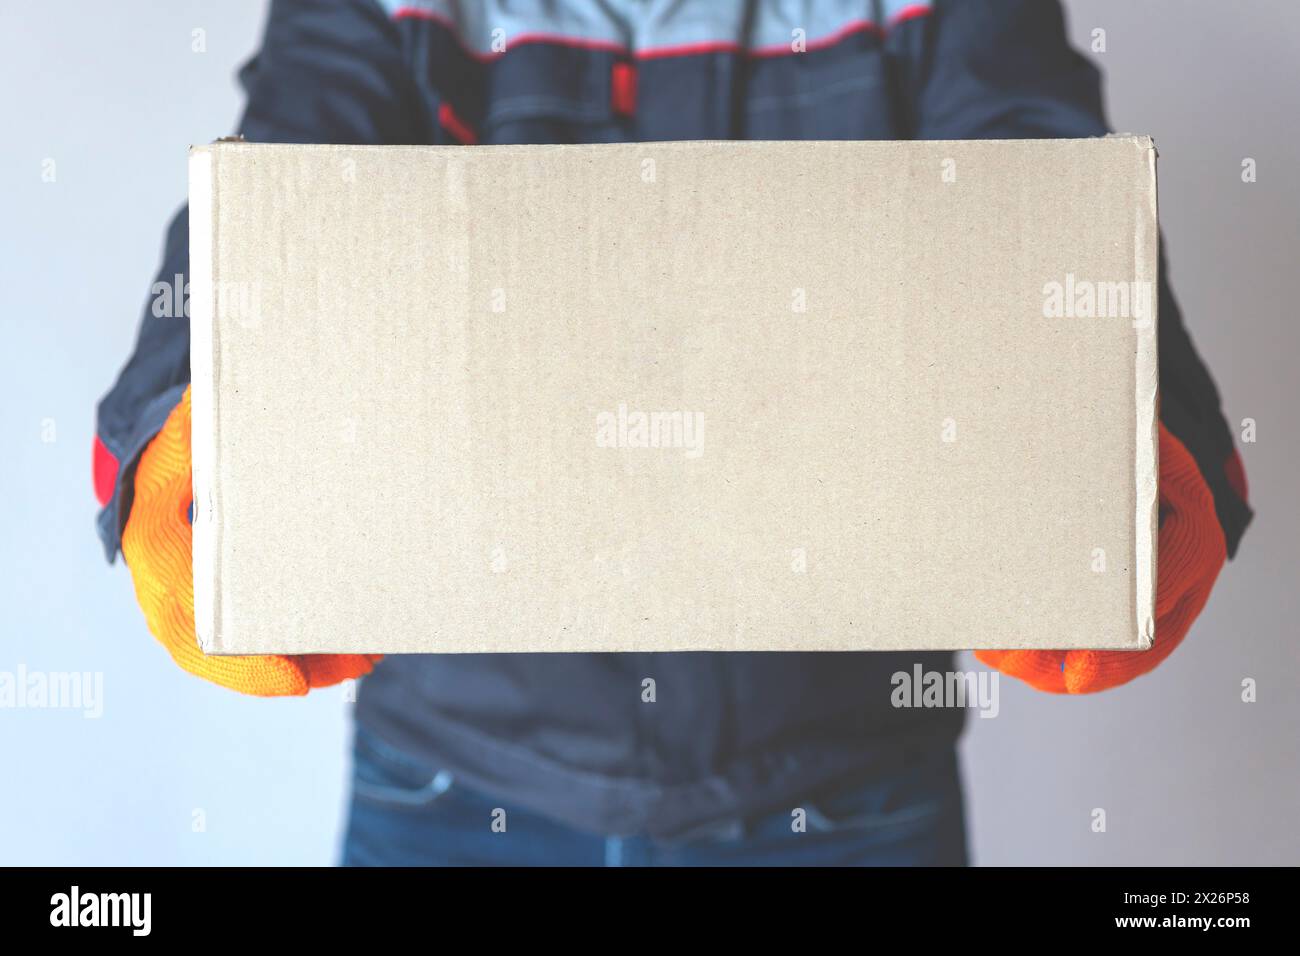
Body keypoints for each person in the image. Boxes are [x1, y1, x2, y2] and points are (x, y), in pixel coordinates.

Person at [94, 0, 1251, 866]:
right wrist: (174, 420)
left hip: (843, 779)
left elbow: (1039, 177)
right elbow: (283, 185)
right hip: (453, 775)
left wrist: (1150, 432)